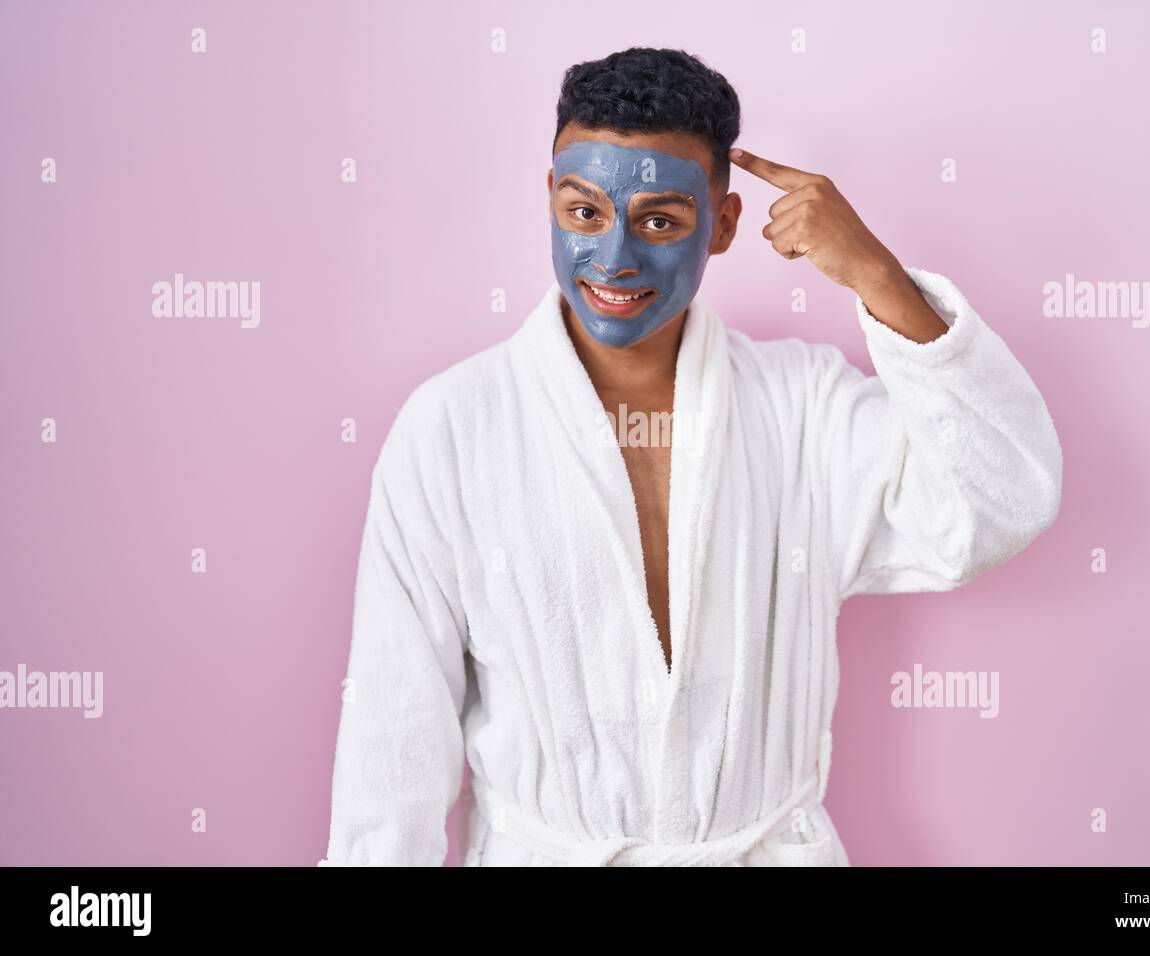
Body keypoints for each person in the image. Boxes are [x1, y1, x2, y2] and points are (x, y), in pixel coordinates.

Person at [318, 47, 1062, 866]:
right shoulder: (452, 431)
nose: (615, 259)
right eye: (585, 213)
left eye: (661, 221)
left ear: (726, 224)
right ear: (551, 202)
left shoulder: (801, 408)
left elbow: (997, 500)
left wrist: (877, 278)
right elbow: (395, 742)